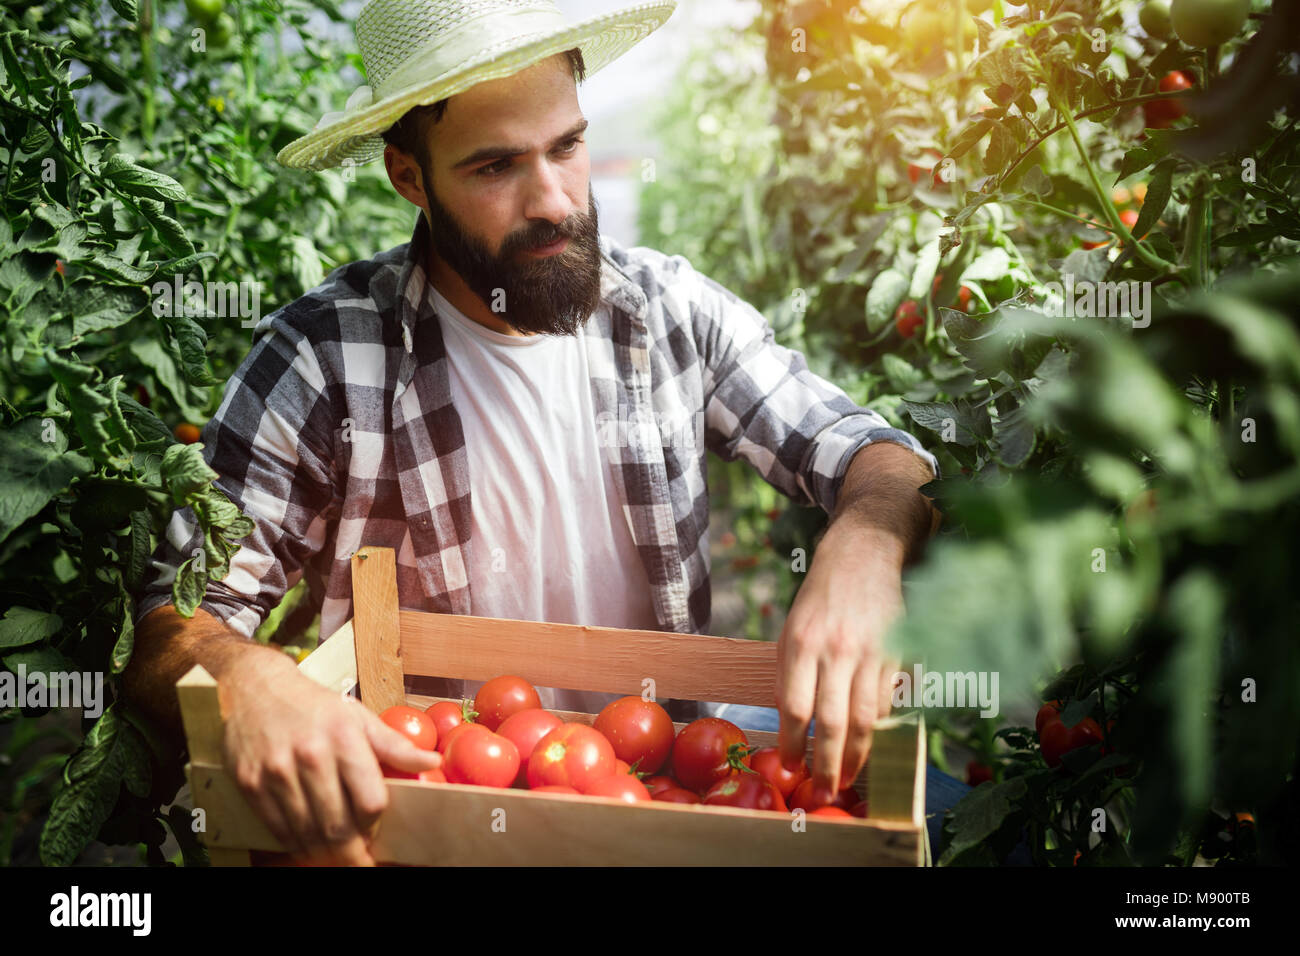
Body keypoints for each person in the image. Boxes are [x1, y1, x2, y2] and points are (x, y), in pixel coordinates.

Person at [123, 0, 944, 866]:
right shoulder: (324, 358)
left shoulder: (668, 314)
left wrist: (866, 536)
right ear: (410, 178)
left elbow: (876, 456)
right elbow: (173, 618)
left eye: (566, 146)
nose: (552, 199)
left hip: (655, 800)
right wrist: (248, 677)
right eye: (495, 167)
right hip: (426, 820)